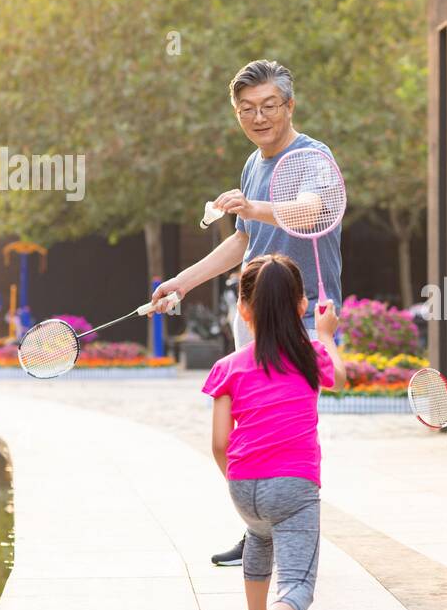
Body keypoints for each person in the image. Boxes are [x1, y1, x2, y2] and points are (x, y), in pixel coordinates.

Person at [147, 59, 343, 567]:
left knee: (288, 429)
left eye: (268, 106)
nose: (258, 118)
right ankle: (258, 529)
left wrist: (253, 206)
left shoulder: (312, 157)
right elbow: (242, 240)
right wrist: (181, 283)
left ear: (289, 106)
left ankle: (291, 532)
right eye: (246, 110)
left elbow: (311, 210)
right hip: (252, 314)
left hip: (302, 313)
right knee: (248, 427)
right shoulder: (253, 164)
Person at [203, 254, 346, 610]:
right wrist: (326, 335)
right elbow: (339, 373)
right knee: (299, 580)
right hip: (294, 486)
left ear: (243, 311)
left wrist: (236, 480)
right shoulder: (309, 356)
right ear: (301, 306)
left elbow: (217, 442)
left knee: (258, 538)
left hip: (242, 486)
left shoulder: (227, 367)